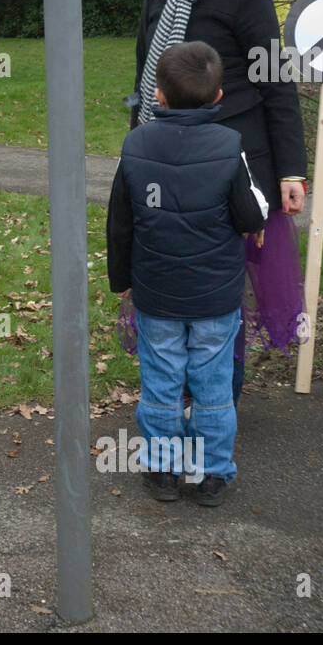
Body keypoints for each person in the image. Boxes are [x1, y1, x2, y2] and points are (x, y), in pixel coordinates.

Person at [131, 0, 307, 403]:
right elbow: (146, 70)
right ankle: (176, 389)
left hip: (235, 167)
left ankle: (218, 396)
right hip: (166, 156)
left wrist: (292, 170)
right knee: (179, 269)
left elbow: (276, 83)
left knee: (223, 281)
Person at [108, 41, 269, 506]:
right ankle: (212, 474)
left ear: (157, 95)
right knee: (213, 383)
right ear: (218, 97)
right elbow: (249, 215)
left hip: (157, 293)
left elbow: (120, 221)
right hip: (216, 296)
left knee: (160, 382)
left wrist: (123, 281)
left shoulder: (135, 146)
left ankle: (162, 470)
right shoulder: (229, 147)